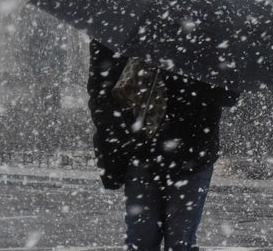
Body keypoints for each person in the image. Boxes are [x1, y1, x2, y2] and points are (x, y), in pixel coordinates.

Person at [88, 39, 239, 251]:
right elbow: (101, 92)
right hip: (142, 150)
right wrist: (119, 135)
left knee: (179, 240)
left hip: (191, 151)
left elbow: (230, 93)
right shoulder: (122, 32)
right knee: (142, 239)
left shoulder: (209, 34)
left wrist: (179, 72)